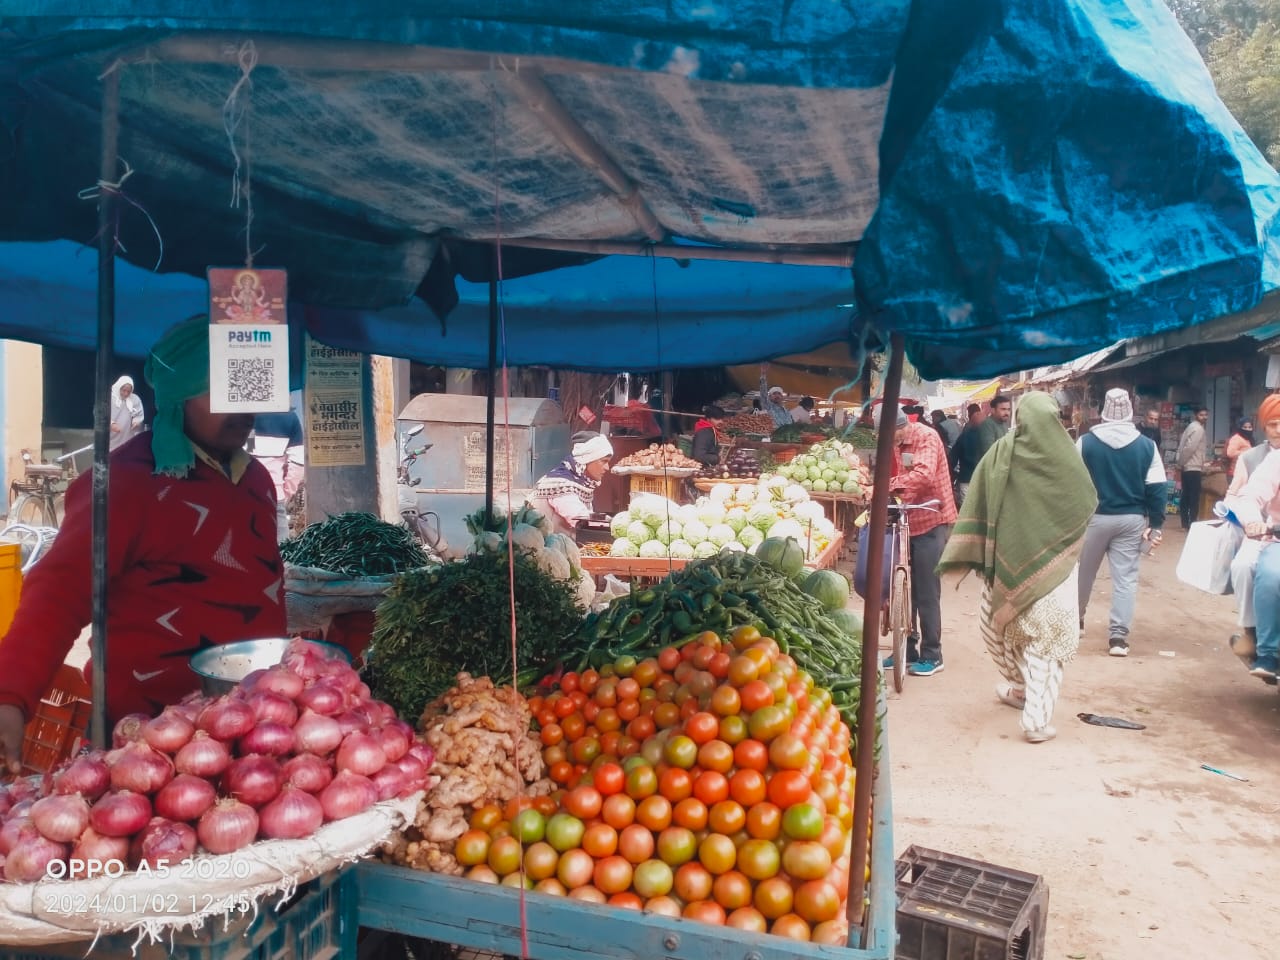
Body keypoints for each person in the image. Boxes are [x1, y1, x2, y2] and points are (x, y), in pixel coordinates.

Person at [0, 316, 286, 771]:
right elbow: (58, 591)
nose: (243, 404)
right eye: (223, 388)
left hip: (252, 727)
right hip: (146, 741)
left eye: (249, 386)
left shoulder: (256, 480)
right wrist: (10, 697)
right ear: (176, 396)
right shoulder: (122, 484)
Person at [938, 392, 1096, 743]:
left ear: (1019, 418)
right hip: (1055, 568)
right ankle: (1029, 705)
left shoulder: (1001, 453)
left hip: (1009, 564)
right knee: (1045, 642)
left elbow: (978, 494)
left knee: (1008, 629)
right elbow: (1086, 502)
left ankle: (1034, 717)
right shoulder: (1068, 459)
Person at [1076, 388, 1167, 657]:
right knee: (1125, 579)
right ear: (1130, 411)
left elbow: (1070, 481)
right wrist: (1157, 523)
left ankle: (1076, 621)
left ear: (1103, 411)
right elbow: (1157, 488)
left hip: (1095, 518)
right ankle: (1118, 638)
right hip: (1132, 520)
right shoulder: (1147, 445)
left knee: (1084, 573)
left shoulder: (1084, 443)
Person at [880, 404, 958, 677]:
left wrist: (884, 487)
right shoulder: (897, 443)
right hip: (908, 521)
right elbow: (904, 479)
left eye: (890, 435)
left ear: (899, 427)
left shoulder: (926, 437)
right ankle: (907, 649)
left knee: (926, 590)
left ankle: (932, 654)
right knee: (904, 589)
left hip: (931, 519)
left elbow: (923, 475)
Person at [1225, 395, 1280, 664]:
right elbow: (1241, 496)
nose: (1279, 429)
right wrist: (1250, 521)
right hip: (1266, 532)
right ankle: (1253, 634)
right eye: (1273, 424)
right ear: (1263, 426)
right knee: (1247, 567)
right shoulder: (1256, 458)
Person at [529, 434, 614, 537]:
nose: (607, 468)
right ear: (587, 459)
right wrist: (615, 525)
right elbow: (582, 520)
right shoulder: (560, 484)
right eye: (604, 461)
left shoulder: (581, 483)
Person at [252, 409, 305, 542]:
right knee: (280, 552)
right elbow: (298, 462)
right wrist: (285, 493)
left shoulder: (228, 411)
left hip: (234, 495)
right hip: (273, 496)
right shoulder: (289, 417)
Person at [1176, 407, 1209, 528]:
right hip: (1192, 466)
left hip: (1188, 466)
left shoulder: (1191, 427)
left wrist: (1181, 463)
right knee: (1193, 496)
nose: (1204, 417)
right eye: (1201, 415)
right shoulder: (1198, 429)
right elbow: (1190, 448)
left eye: (1206, 415)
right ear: (1196, 415)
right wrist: (1182, 462)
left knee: (1186, 495)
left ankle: (1185, 522)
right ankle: (1192, 522)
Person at [949, 403, 986, 507]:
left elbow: (953, 458)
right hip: (982, 479)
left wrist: (951, 475)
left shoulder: (964, 435)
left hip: (966, 478)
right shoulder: (990, 436)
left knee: (968, 511)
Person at [110, 375, 145, 452]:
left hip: (126, 434)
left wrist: (136, 422)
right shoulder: (109, 398)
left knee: (124, 451)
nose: (126, 394)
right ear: (119, 387)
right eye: (123, 390)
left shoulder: (135, 399)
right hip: (111, 435)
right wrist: (111, 424)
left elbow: (138, 414)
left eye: (128, 391)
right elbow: (100, 414)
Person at [972, 395, 1012, 464]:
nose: (1007, 413)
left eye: (1008, 409)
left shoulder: (1003, 424)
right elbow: (989, 451)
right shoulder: (987, 425)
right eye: (1003, 409)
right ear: (993, 410)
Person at [758, 364, 792, 428]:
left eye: (779, 394)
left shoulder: (786, 411)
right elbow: (763, 393)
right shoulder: (768, 406)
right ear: (770, 396)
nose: (777, 395)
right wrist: (763, 374)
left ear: (782, 397)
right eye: (774, 394)